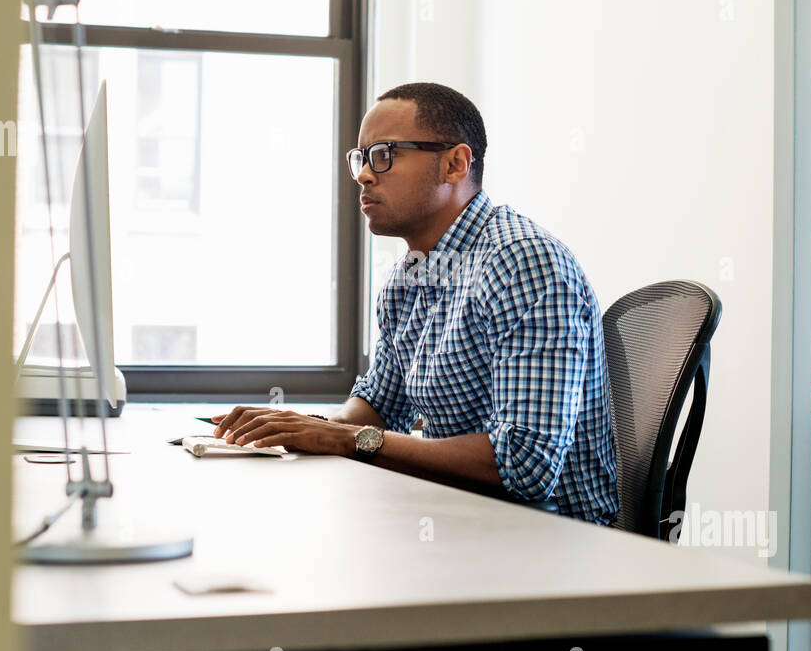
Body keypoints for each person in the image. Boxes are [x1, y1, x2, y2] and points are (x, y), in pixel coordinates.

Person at [213, 82, 619, 525]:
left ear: (455, 164)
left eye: (384, 154)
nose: (365, 175)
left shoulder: (523, 262)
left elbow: (524, 464)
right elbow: (378, 406)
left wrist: (346, 439)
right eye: (361, 158)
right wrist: (304, 428)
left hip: (553, 544)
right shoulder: (409, 275)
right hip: (459, 520)